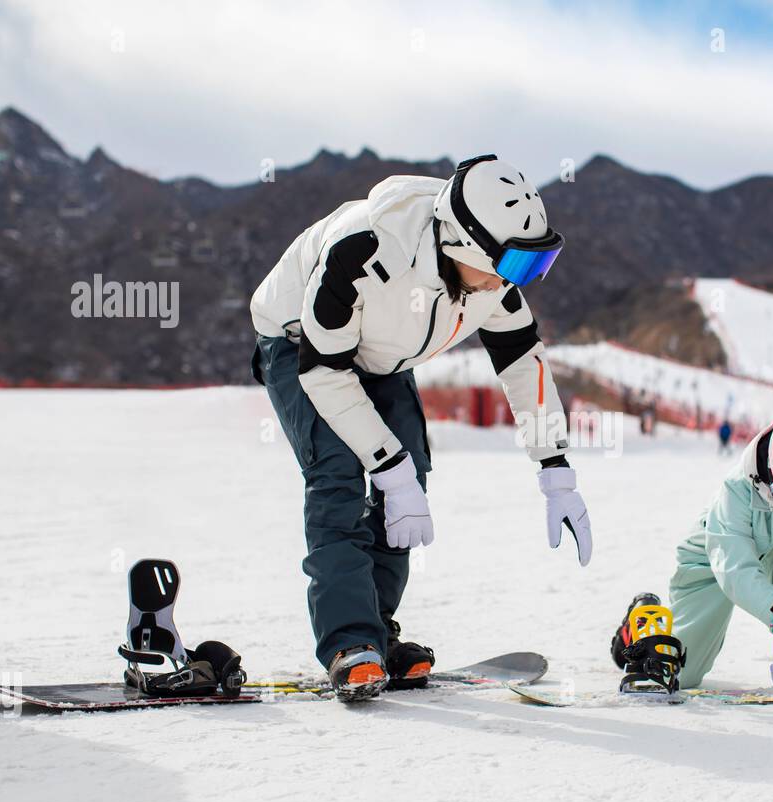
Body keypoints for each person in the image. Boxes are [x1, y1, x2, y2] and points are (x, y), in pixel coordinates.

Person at [249, 155, 592, 700]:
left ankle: (377, 635)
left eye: (534, 266)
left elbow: (524, 362)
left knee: (409, 486)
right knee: (340, 475)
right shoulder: (364, 250)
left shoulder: (490, 282)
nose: (517, 283)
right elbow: (324, 372)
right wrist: (385, 464)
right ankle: (349, 643)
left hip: (383, 356)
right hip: (305, 348)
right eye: (516, 266)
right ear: (464, 245)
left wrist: (555, 468)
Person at [608, 401, 773, 698]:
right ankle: (642, 622)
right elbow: (736, 570)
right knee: (686, 671)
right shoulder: (736, 492)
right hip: (714, 563)